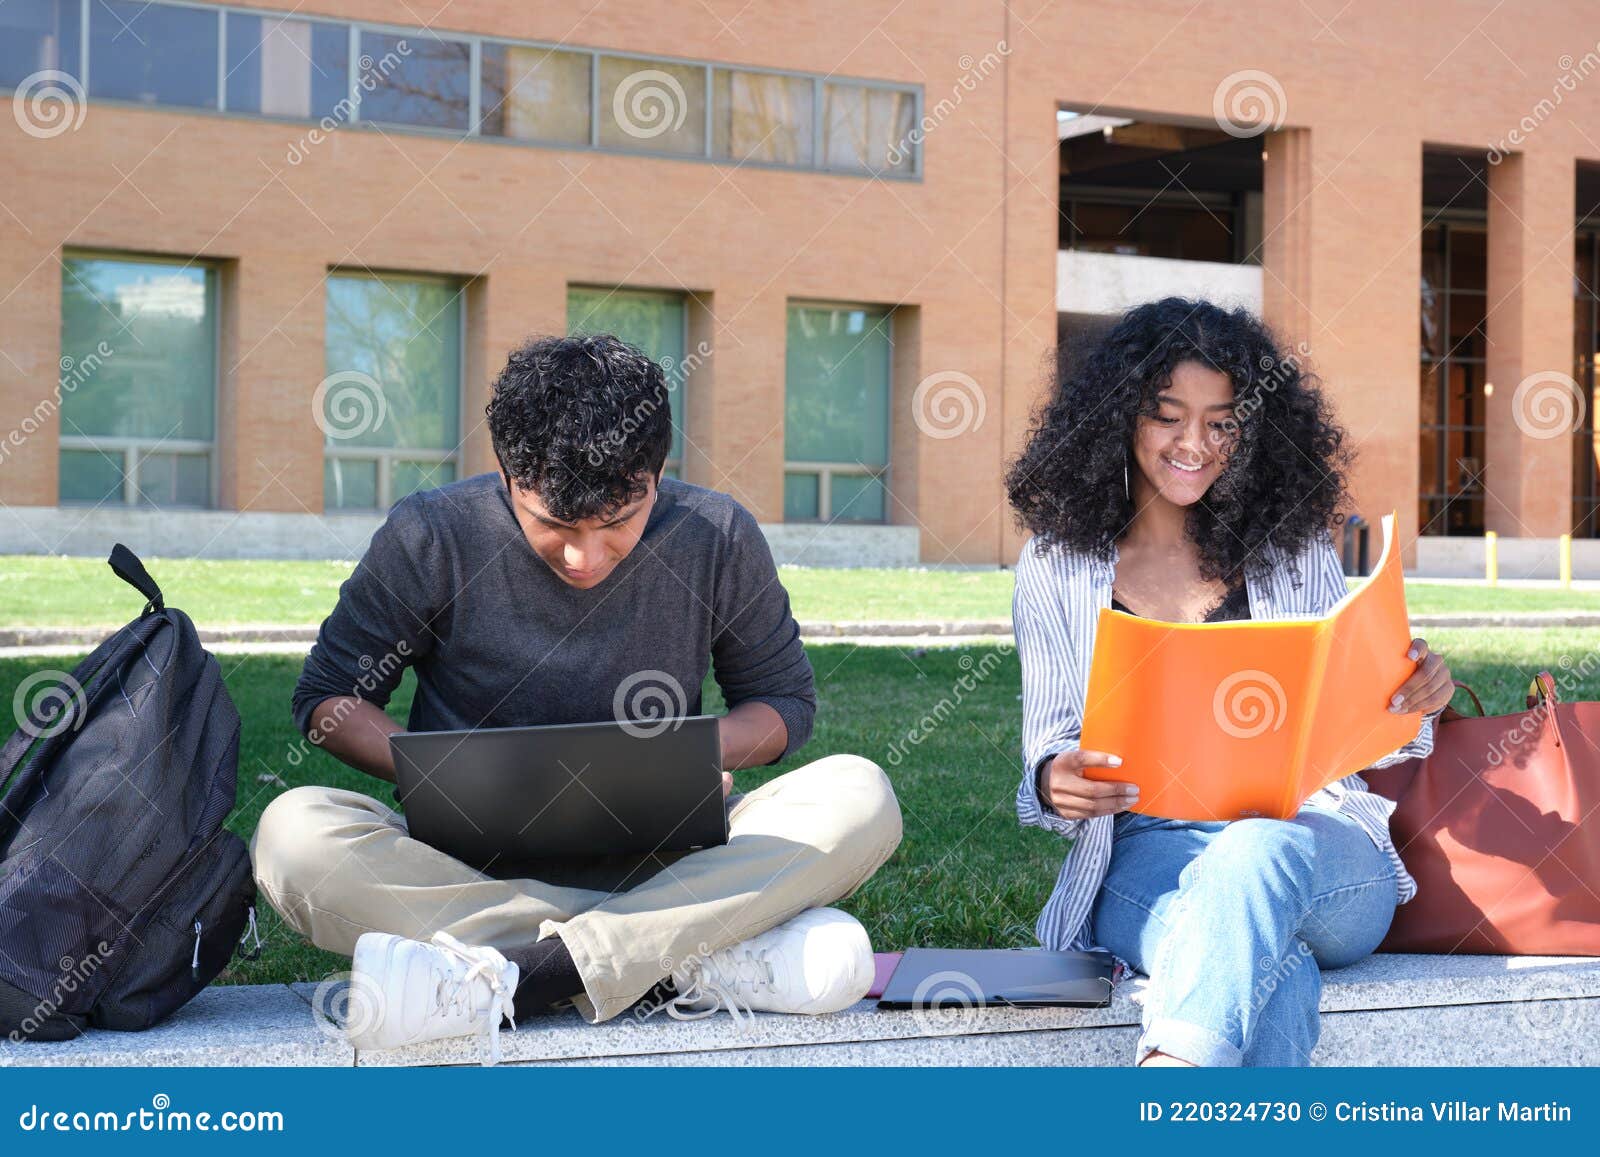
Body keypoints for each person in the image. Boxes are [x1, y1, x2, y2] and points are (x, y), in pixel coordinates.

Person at [252, 334, 902, 1060]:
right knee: (292, 834)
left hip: (670, 857)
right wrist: (437, 768)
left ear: (657, 476)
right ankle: (683, 953)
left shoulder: (717, 535)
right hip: (467, 868)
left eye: (616, 525)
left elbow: (784, 705)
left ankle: (519, 974)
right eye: (554, 525)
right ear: (506, 477)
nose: (583, 557)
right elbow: (327, 698)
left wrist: (680, 756)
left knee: (861, 793)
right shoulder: (432, 533)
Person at [1004, 298, 1453, 1067]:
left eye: (1221, 422)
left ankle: (1170, 1086)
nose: (1194, 444)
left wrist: (1415, 694)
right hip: (1149, 848)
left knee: (1254, 853)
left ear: (1251, 432)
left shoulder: (1293, 550)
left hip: (1321, 847)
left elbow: (1379, 730)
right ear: (1119, 417)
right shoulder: (1056, 568)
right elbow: (1049, 747)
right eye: (1167, 416)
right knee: (1267, 963)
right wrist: (1054, 779)